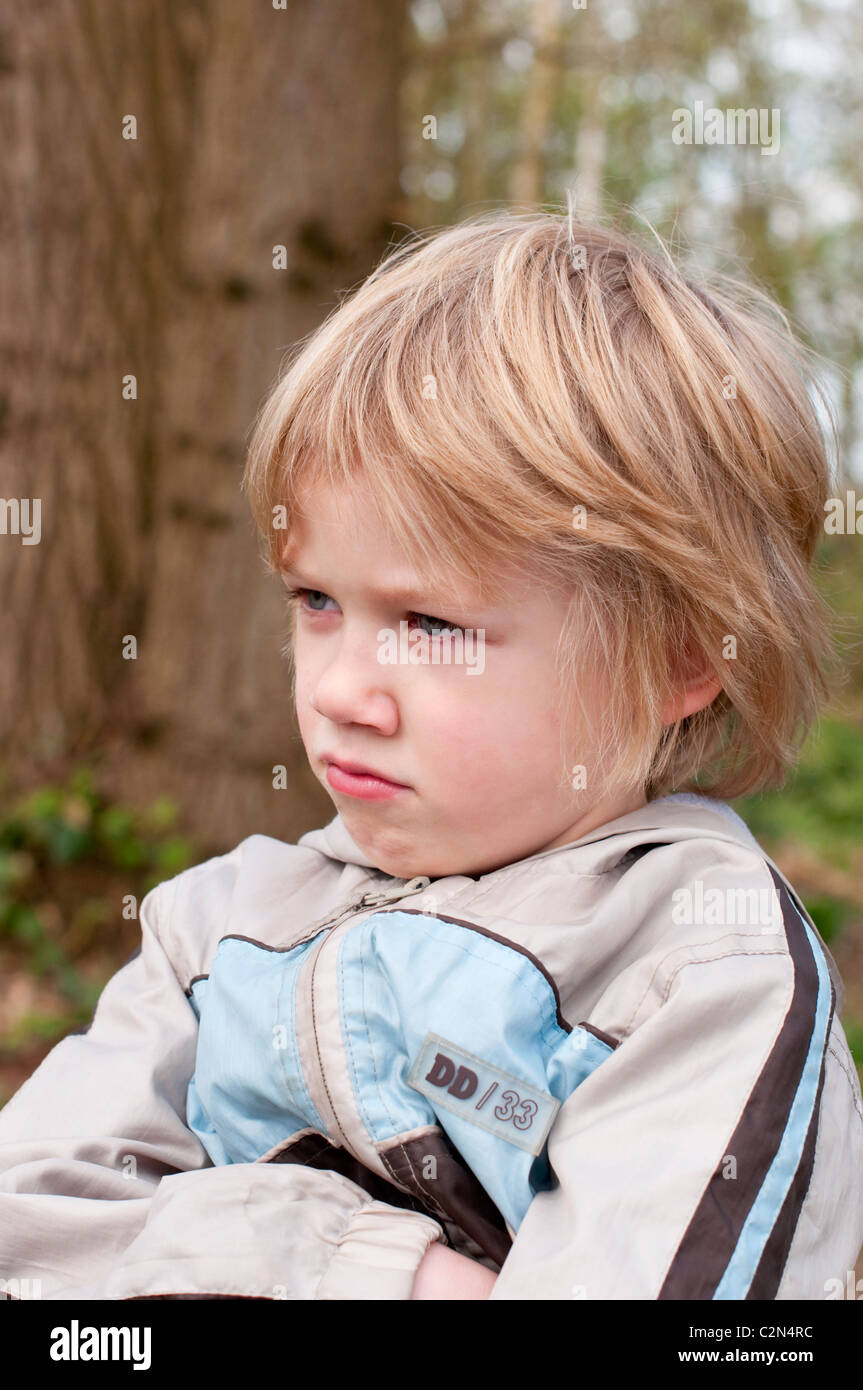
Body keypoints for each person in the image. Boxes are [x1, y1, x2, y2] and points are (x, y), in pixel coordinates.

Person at [1, 209, 861, 1301]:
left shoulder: (695, 968)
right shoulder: (222, 930)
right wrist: (366, 1268)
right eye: (315, 599)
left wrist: (191, 1244)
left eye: (430, 625)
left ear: (674, 656)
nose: (338, 690)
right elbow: (27, 1232)